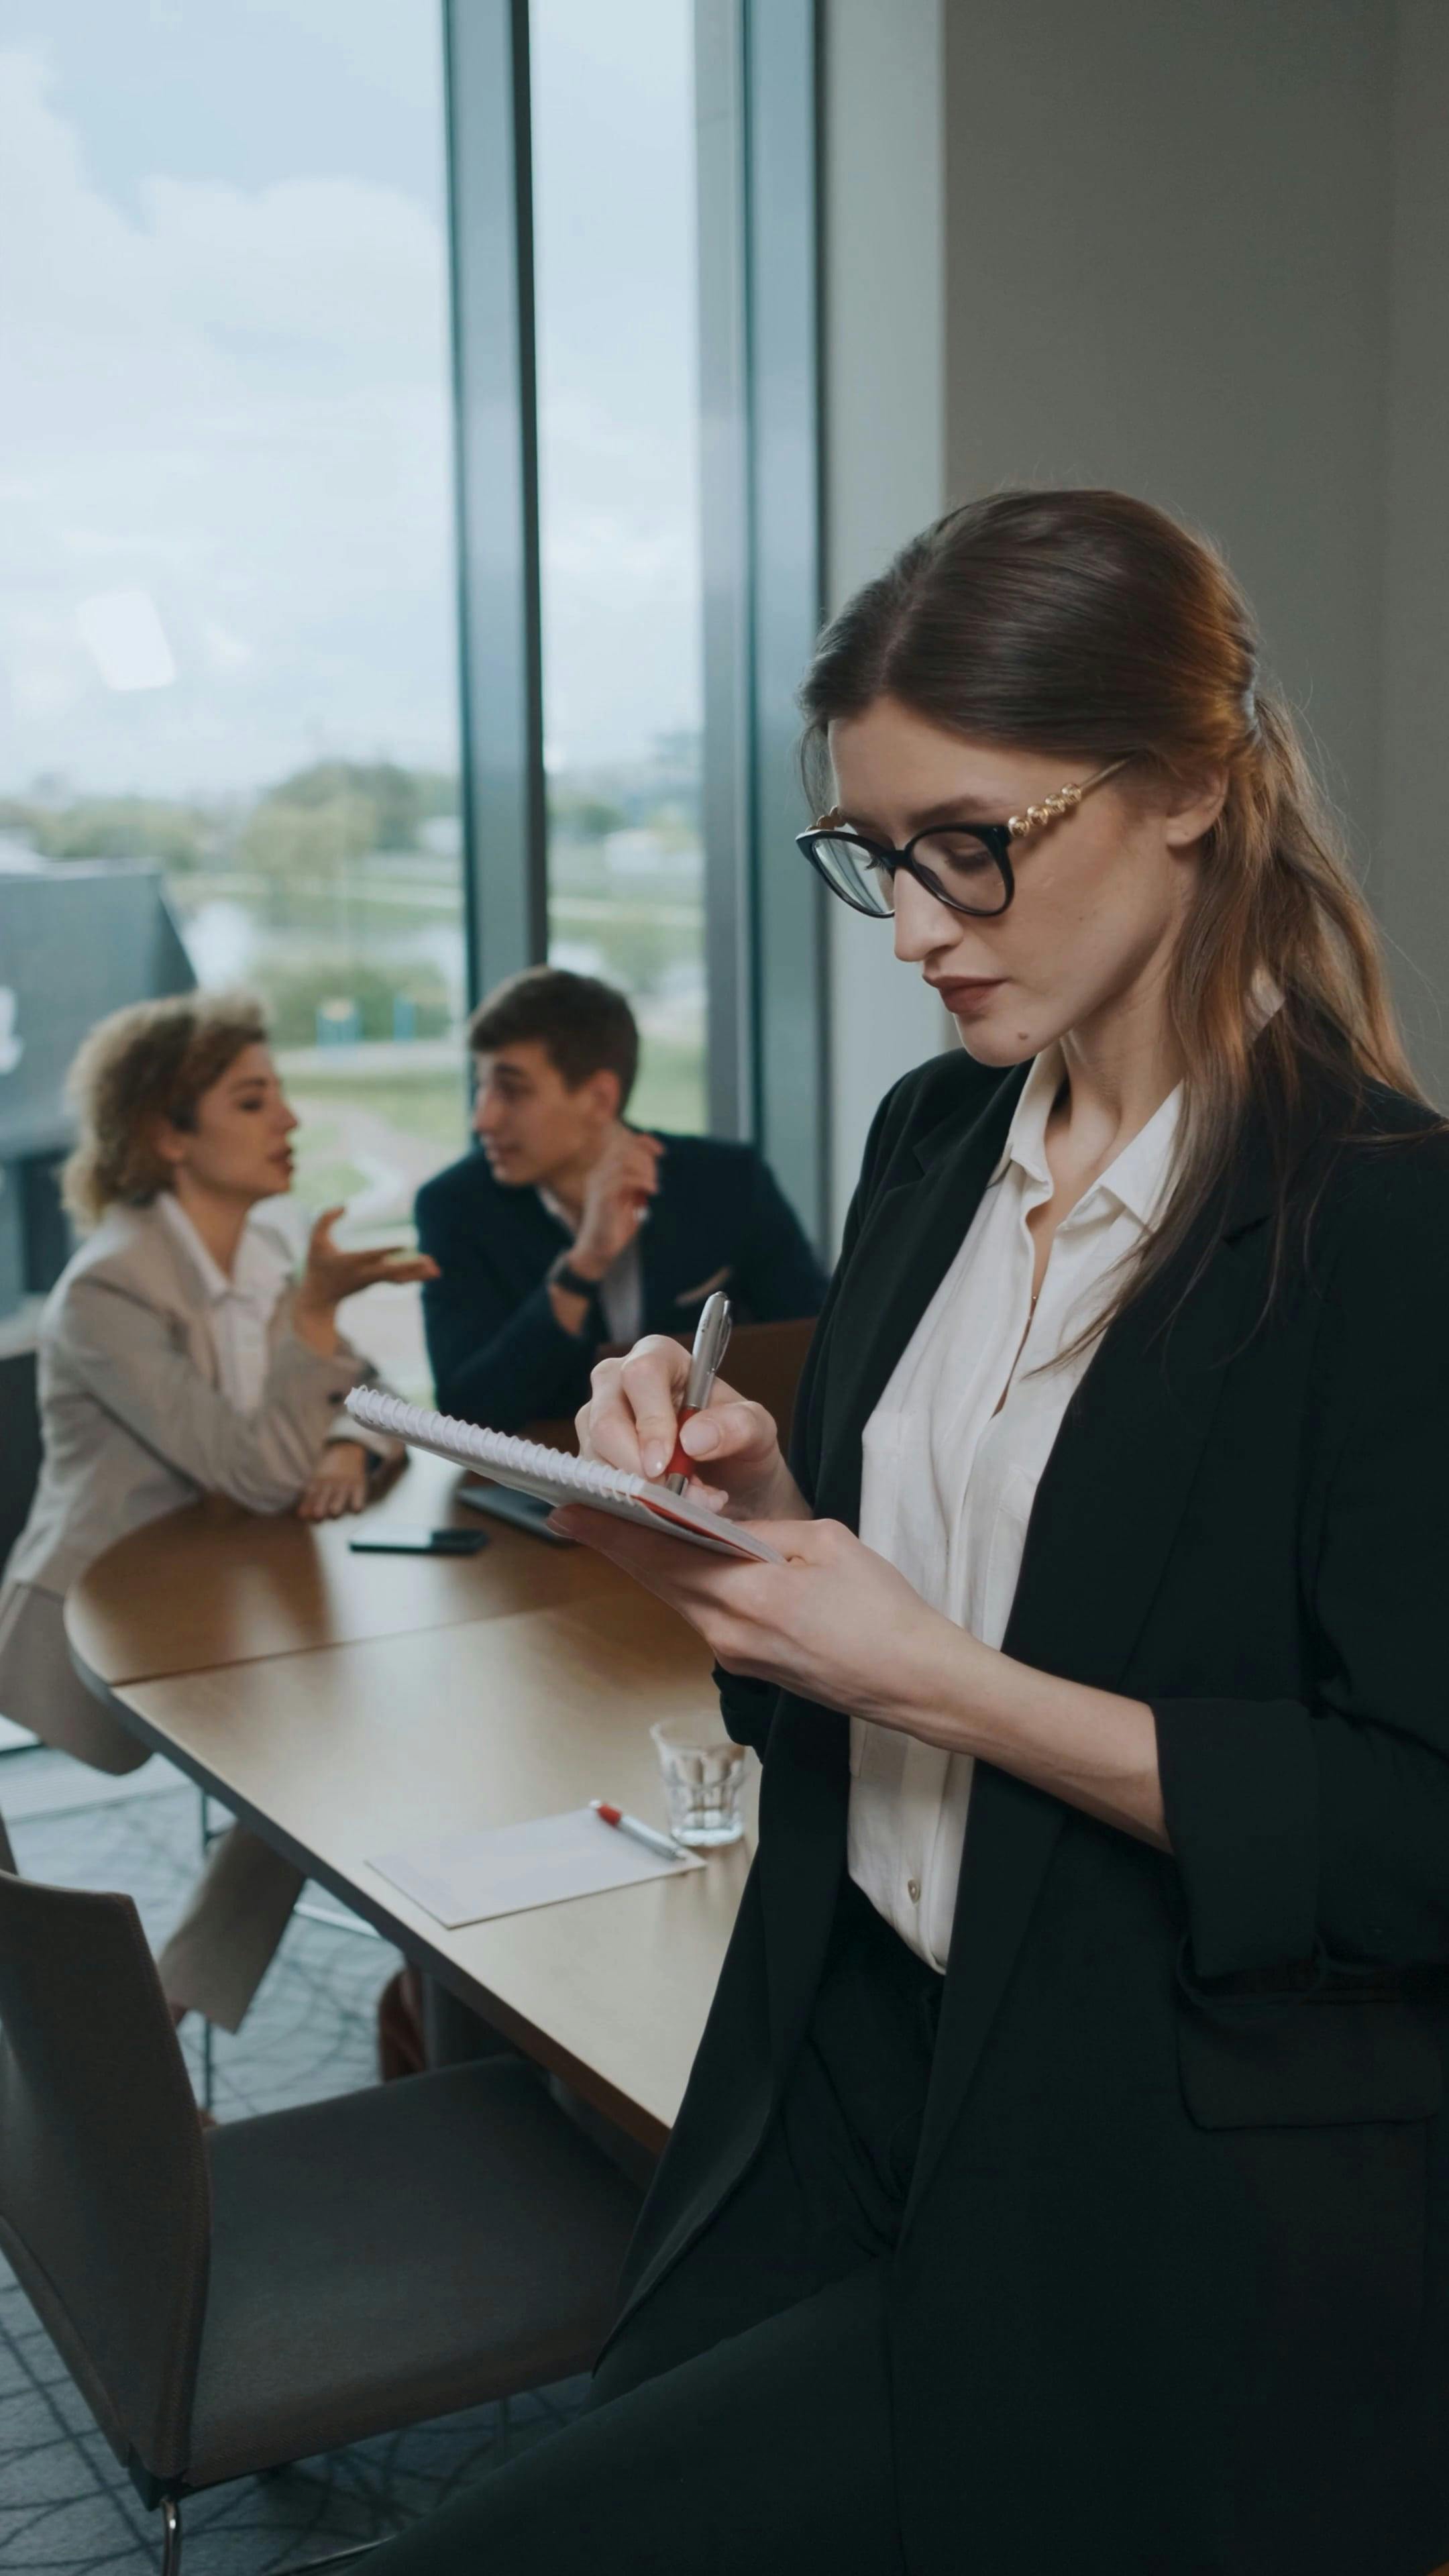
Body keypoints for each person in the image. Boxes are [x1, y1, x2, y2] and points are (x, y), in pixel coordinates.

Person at [363, 491, 1449, 2576]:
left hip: (1142, 2175)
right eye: (876, 854)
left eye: (977, 840)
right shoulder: (935, 1132)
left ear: (1195, 791)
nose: (921, 922)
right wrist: (766, 1515)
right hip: (830, 2056)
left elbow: (1410, 1829)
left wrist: (929, 1674)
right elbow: (896, 1610)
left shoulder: (1386, 1229)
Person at [0, 993, 435, 2035]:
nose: (287, 1120)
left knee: (328, 1748)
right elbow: (247, 1468)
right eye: (252, 1100)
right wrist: (318, 1326)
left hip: (230, 1602)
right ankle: (87, 2075)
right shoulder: (110, 1290)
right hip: (87, 1622)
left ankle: (164, 2013)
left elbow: (383, 1399)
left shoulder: (264, 1252)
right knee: (312, 1750)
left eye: (280, 1094)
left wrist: (345, 1438)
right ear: (165, 1134)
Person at [415, 967, 827, 1432]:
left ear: (598, 1098)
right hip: (546, 1485)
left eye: (511, 1090)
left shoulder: (727, 1181)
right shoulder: (455, 1207)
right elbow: (464, 1412)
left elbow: (816, 1350)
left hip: (713, 1468)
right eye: (481, 1085)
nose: (483, 1118)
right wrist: (583, 1266)